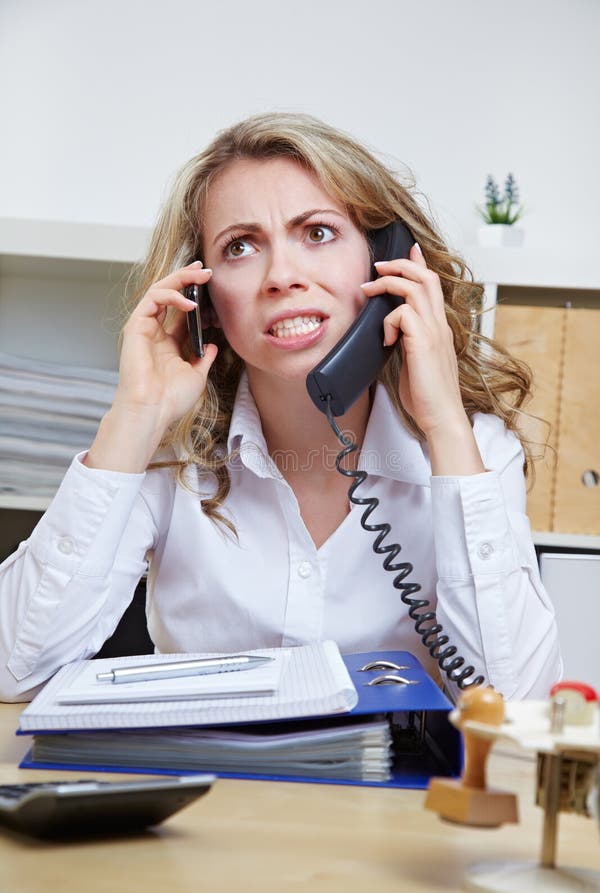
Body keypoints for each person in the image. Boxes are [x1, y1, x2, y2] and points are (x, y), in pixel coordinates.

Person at [0, 112, 561, 703]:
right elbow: (14, 671)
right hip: (211, 791)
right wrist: (134, 417)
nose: (283, 276)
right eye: (240, 247)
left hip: (394, 796)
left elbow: (520, 702)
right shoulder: (166, 455)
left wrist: (445, 422)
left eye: (317, 233)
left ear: (386, 262)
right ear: (205, 300)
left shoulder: (473, 452)